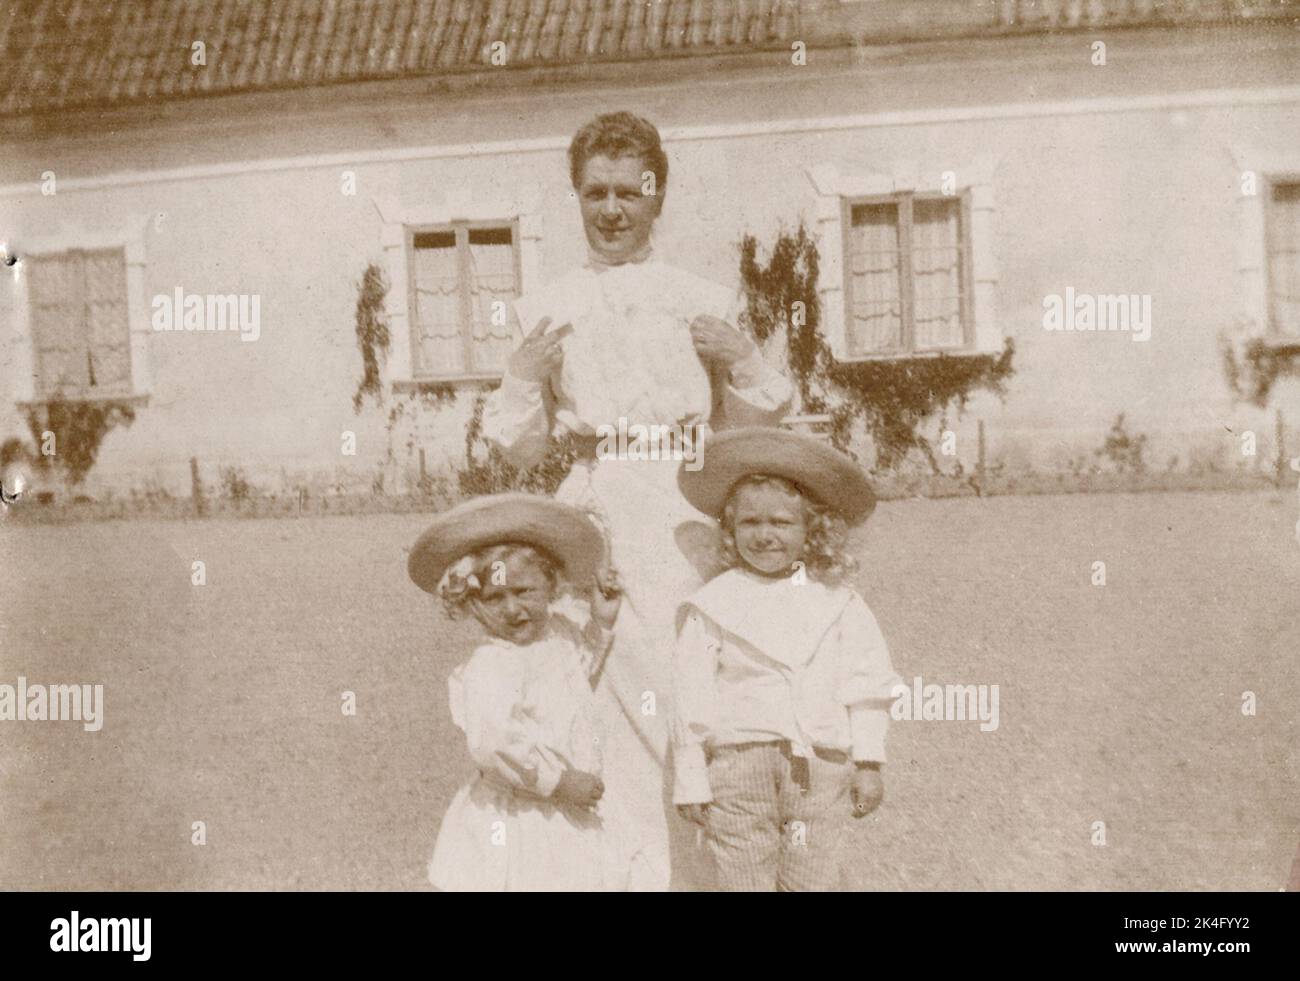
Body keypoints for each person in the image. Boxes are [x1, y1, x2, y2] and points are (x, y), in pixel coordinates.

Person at [483, 112, 793, 889]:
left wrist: (746, 358)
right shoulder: (545, 308)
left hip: (681, 509)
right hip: (591, 509)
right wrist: (523, 374)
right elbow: (518, 446)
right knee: (591, 690)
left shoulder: (700, 298)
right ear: (576, 197)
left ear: (658, 198)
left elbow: (755, 424)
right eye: (596, 193)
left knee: (684, 690)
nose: (612, 209)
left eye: (630, 192)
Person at [671, 427, 903, 891]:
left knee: (812, 877)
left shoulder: (837, 601)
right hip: (738, 767)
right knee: (742, 877)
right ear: (730, 529)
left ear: (811, 530)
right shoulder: (715, 603)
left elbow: (867, 685)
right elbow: (689, 698)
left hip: (819, 767)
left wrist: (869, 762)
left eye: (781, 523)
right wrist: (692, 778)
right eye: (750, 523)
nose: (764, 535)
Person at [408, 494, 622, 891]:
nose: (511, 609)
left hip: (561, 810)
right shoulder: (492, 665)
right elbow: (494, 743)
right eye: (494, 597)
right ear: (472, 603)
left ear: (551, 585)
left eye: (523, 591)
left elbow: (577, 674)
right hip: (522, 811)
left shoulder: (556, 636)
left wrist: (601, 623)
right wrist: (557, 782)